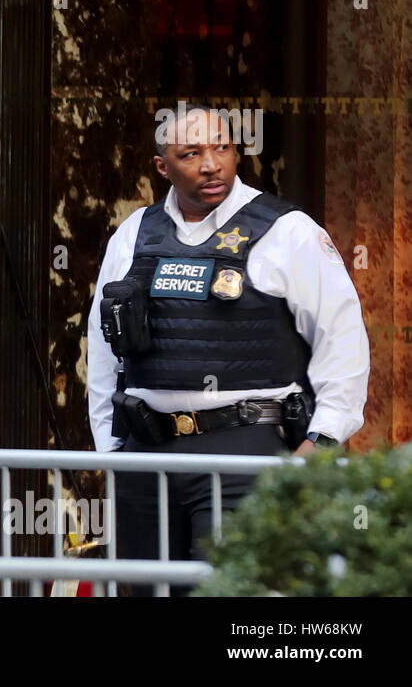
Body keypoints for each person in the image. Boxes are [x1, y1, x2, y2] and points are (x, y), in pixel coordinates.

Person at [86, 103, 369, 592]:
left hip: (245, 451)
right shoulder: (134, 235)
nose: (211, 164)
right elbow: (104, 353)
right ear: (162, 166)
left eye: (222, 148)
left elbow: (342, 343)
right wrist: (112, 452)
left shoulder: (287, 231)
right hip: (145, 451)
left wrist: (319, 446)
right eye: (191, 153)